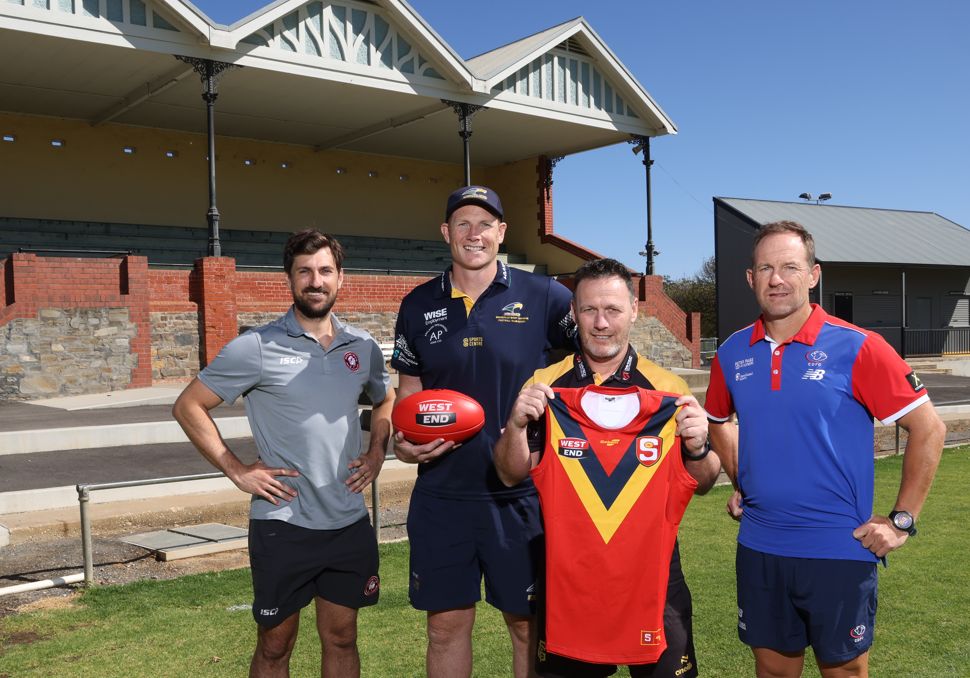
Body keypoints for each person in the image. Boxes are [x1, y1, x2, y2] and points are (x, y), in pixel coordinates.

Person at [704, 221, 946, 678]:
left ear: (813, 275)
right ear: (750, 278)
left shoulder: (859, 347)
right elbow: (718, 423)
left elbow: (929, 428)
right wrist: (744, 482)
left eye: (789, 267)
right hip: (760, 548)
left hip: (839, 549)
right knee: (773, 671)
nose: (777, 278)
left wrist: (901, 520)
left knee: (845, 673)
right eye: (765, 267)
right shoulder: (732, 352)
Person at [172, 229, 395, 678]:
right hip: (283, 523)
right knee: (276, 645)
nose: (316, 280)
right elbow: (188, 405)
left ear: (340, 278)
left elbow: (385, 399)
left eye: (325, 271)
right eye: (305, 271)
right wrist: (236, 470)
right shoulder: (255, 347)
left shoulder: (364, 346)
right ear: (289, 279)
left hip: (348, 521)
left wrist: (375, 453)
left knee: (342, 637)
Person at [495, 257, 721, 678]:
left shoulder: (668, 391)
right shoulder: (546, 387)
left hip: (653, 577)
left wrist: (699, 445)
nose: (601, 323)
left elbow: (703, 481)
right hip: (570, 580)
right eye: (589, 310)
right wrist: (515, 425)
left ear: (634, 311)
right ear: (574, 313)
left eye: (613, 309)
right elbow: (510, 473)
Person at [391, 185, 577, 678]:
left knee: (527, 627)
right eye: (463, 224)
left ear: (502, 232)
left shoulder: (546, 296)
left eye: (485, 224)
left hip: (521, 494)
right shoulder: (416, 305)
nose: (474, 234)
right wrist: (403, 442)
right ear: (446, 233)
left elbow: (591, 360)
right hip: (441, 495)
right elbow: (408, 394)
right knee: (445, 628)